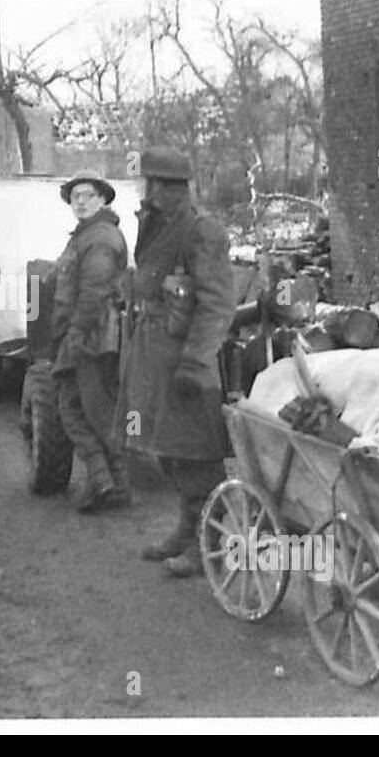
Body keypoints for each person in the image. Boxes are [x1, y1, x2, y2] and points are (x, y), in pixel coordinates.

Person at [114, 146, 236, 576]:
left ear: (169, 187)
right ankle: (187, 531)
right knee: (166, 450)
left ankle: (210, 544)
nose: (145, 193)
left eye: (151, 184)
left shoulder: (202, 231)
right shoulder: (155, 224)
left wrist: (196, 362)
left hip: (183, 360)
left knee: (196, 455)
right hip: (151, 353)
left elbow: (218, 303)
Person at [49, 169, 130, 514]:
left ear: (102, 200)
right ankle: (105, 481)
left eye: (87, 195)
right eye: (75, 196)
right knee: (79, 407)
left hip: (93, 336)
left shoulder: (99, 237)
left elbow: (95, 288)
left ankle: (113, 483)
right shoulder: (85, 235)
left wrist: (78, 334)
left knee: (89, 410)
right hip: (85, 333)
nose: (80, 201)